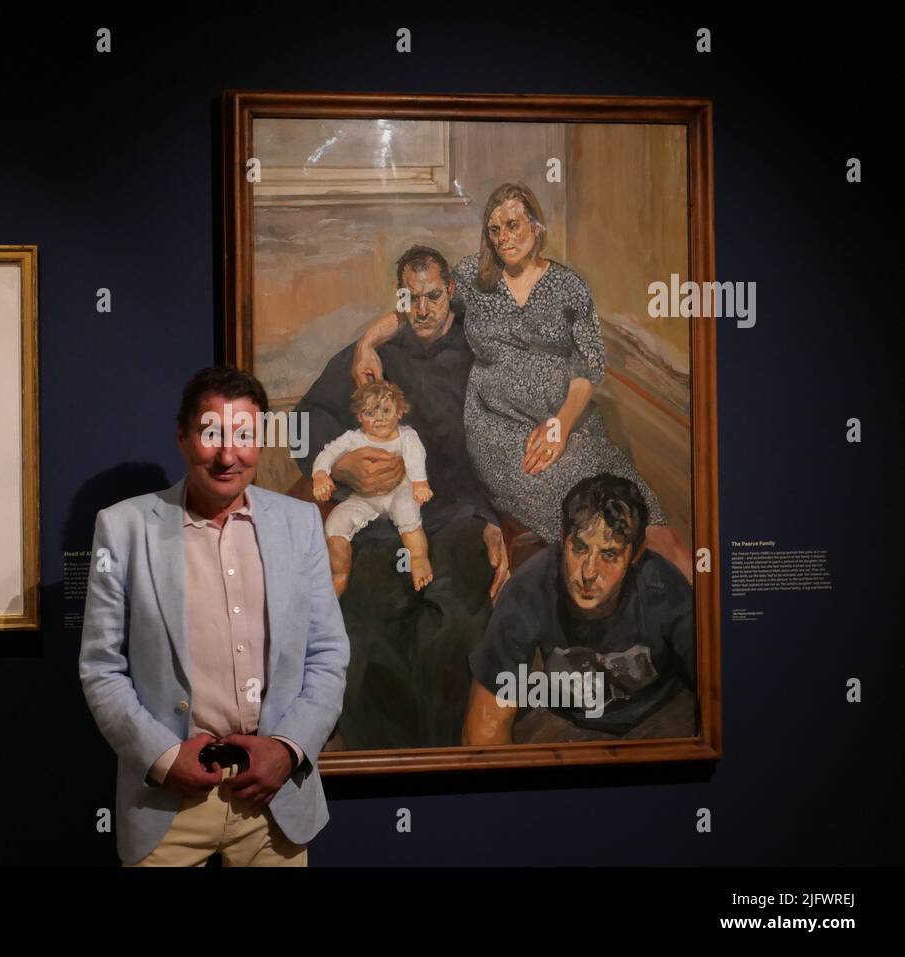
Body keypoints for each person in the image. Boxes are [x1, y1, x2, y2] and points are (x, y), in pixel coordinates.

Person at [79, 366, 349, 866]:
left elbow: (328, 654)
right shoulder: (122, 529)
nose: (228, 455)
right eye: (211, 435)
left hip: (273, 801)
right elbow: (101, 668)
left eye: (244, 436)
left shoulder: (300, 522)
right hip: (168, 802)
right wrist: (164, 757)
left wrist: (287, 750)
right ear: (182, 437)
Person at [353, 184, 691, 579]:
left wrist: (561, 426)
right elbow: (414, 306)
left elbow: (588, 368)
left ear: (536, 226)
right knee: (593, 523)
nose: (504, 238)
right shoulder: (473, 279)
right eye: (495, 230)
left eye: (512, 225)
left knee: (646, 520)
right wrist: (366, 344)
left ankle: (696, 616)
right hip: (498, 432)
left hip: (570, 426)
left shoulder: (570, 287)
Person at [293, 245, 504, 750]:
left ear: (451, 291)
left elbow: (506, 446)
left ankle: (440, 761)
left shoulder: (482, 347)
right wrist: (341, 467)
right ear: (400, 299)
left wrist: (494, 517)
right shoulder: (374, 354)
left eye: (434, 296)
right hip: (378, 519)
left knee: (453, 625)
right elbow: (302, 426)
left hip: (457, 513)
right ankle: (383, 764)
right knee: (366, 625)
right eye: (413, 299)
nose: (424, 310)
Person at [462, 474, 696, 744]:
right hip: (567, 722)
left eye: (609, 554)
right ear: (563, 539)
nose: (589, 572)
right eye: (580, 547)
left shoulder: (664, 588)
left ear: (635, 554)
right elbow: (486, 723)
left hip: (661, 716)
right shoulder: (529, 587)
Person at [312, 380, 434, 595]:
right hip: (364, 497)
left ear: (399, 412)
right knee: (335, 522)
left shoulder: (406, 437)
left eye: (386, 410)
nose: (379, 418)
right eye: (370, 412)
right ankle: (339, 575)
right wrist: (321, 475)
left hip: (399, 491)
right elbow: (327, 453)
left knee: (406, 507)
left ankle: (418, 558)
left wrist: (419, 482)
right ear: (359, 416)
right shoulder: (353, 438)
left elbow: (416, 457)